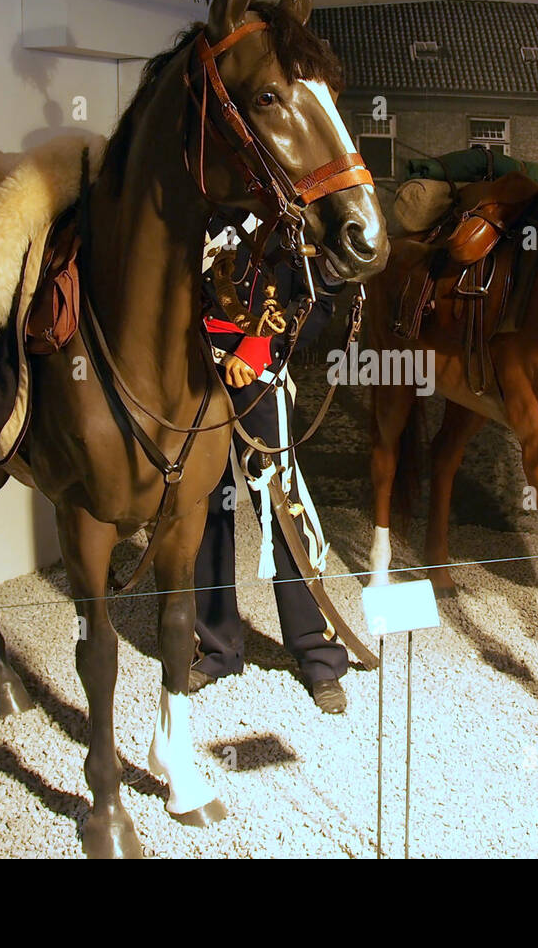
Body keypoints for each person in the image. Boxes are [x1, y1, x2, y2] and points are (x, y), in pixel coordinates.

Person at [190, 212, 351, 714]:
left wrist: (261, 345)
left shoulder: (286, 217)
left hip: (258, 375)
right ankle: (216, 648)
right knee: (203, 508)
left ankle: (319, 654)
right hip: (193, 374)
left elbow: (316, 298)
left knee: (282, 506)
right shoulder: (189, 210)